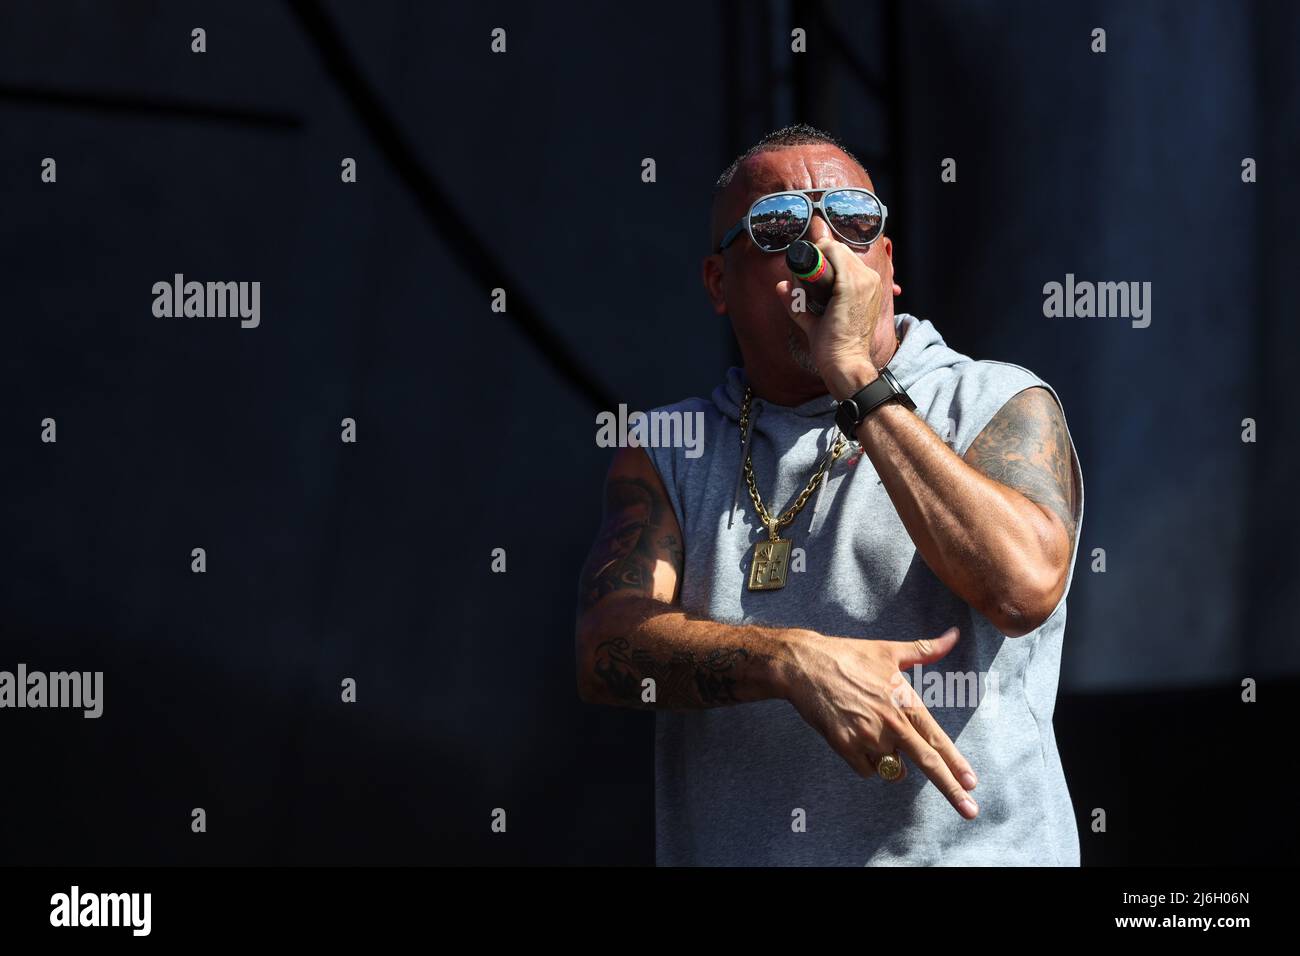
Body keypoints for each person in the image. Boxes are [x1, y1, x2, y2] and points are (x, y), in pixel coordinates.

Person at [574, 124, 1084, 866]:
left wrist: (852, 372)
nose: (821, 241)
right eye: (778, 223)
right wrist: (790, 660)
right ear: (719, 283)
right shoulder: (669, 446)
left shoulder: (995, 400)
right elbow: (606, 649)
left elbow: (1023, 588)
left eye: (854, 220)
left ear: (887, 263)